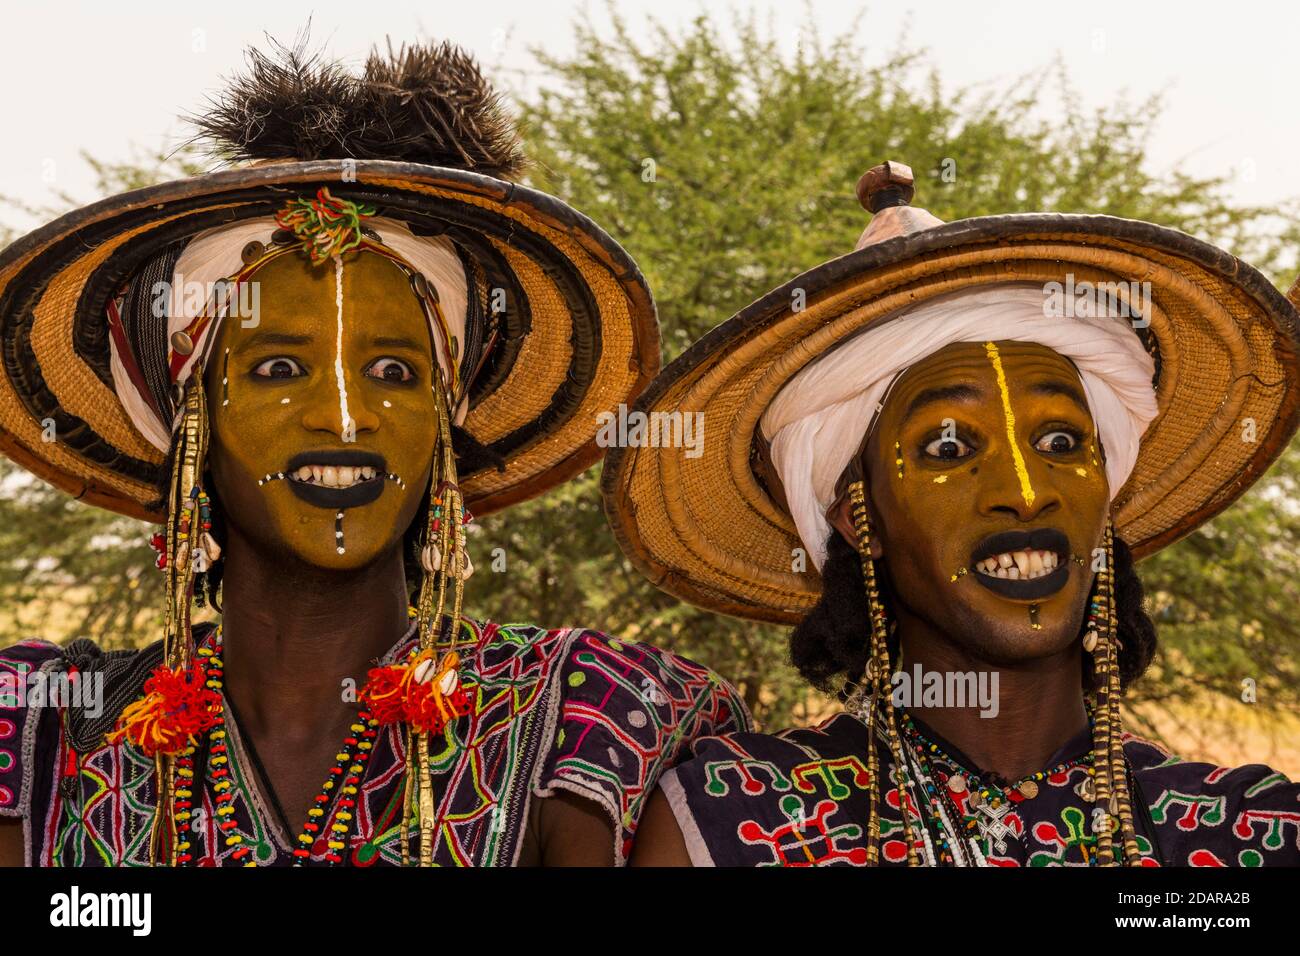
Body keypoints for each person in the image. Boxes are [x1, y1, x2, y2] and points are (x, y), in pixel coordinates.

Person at [0, 38, 746, 867]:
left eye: (393, 370)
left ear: (443, 418)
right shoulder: (51, 730)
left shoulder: (585, 720)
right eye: (278, 367)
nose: (347, 418)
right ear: (189, 420)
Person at [606, 161, 1300, 866]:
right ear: (856, 516)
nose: (1027, 491)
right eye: (947, 446)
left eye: (1061, 441)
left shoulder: (1245, 831)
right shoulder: (729, 823)